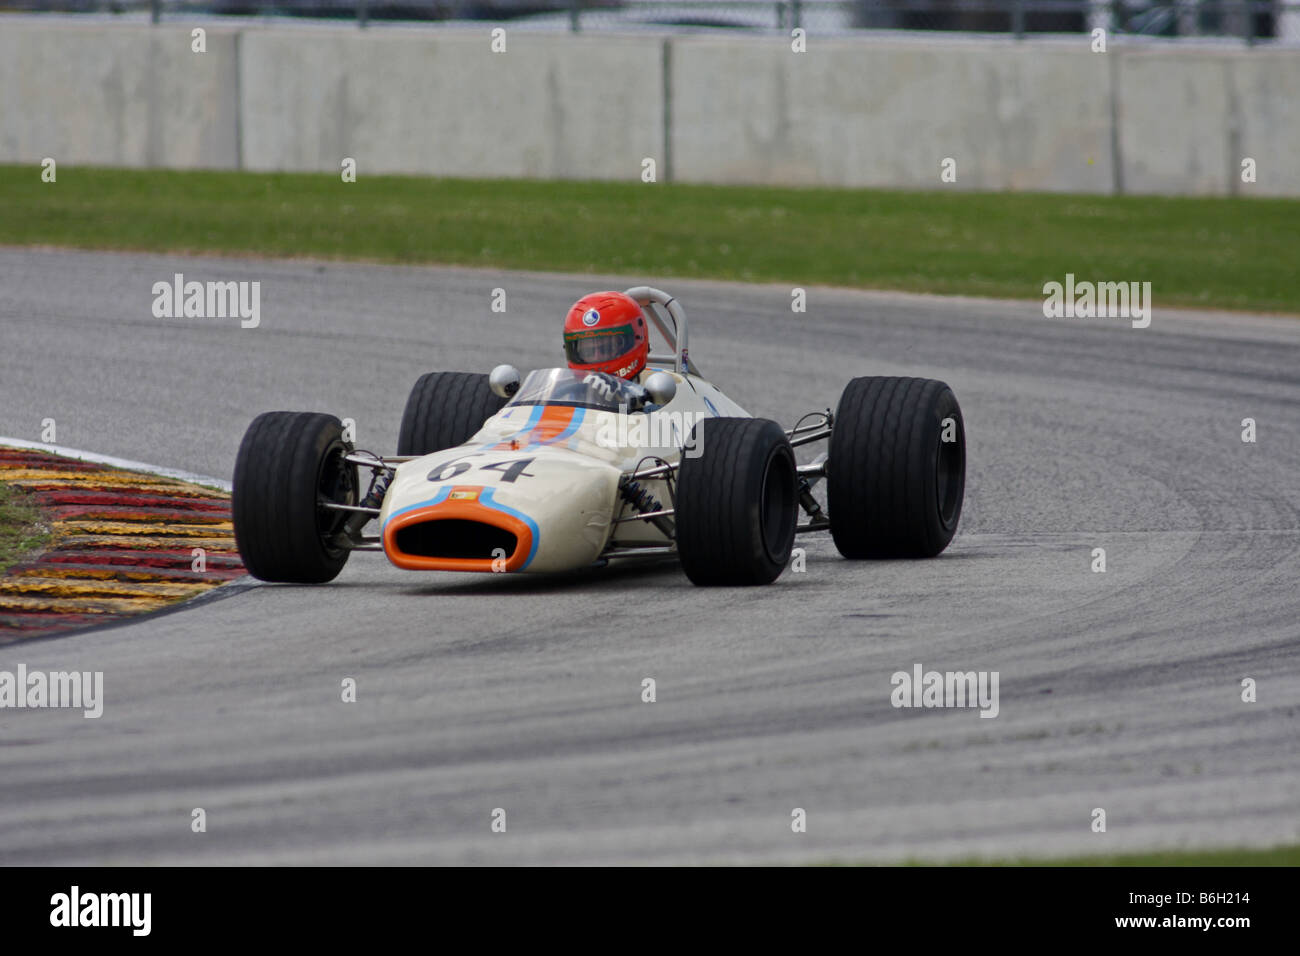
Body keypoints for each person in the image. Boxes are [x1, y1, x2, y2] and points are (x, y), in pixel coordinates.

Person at [562, 291, 650, 381]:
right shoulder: (566, 390)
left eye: (606, 349)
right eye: (588, 352)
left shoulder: (656, 390)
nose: (597, 357)